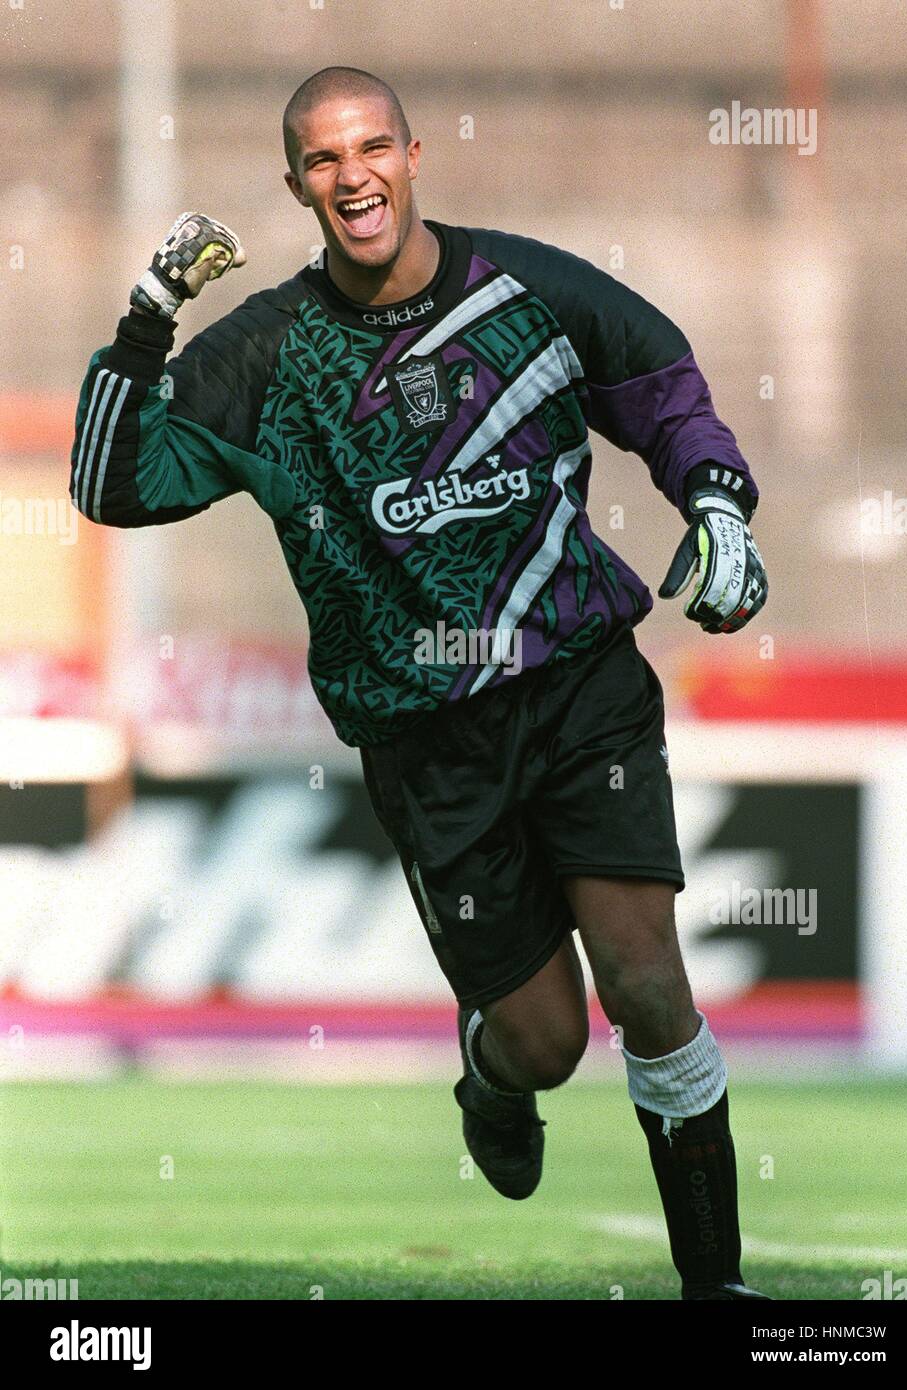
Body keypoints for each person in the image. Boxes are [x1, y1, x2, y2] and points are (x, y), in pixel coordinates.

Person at [70, 66, 769, 1300]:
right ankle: (491, 1076)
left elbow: (658, 374)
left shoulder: (524, 289)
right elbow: (110, 484)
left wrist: (716, 498)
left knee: (649, 980)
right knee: (546, 1042)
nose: (353, 176)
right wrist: (147, 313)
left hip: (579, 685)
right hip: (424, 737)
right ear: (296, 185)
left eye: (372, 147)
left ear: (412, 153)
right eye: (324, 160)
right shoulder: (267, 353)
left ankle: (717, 1295)